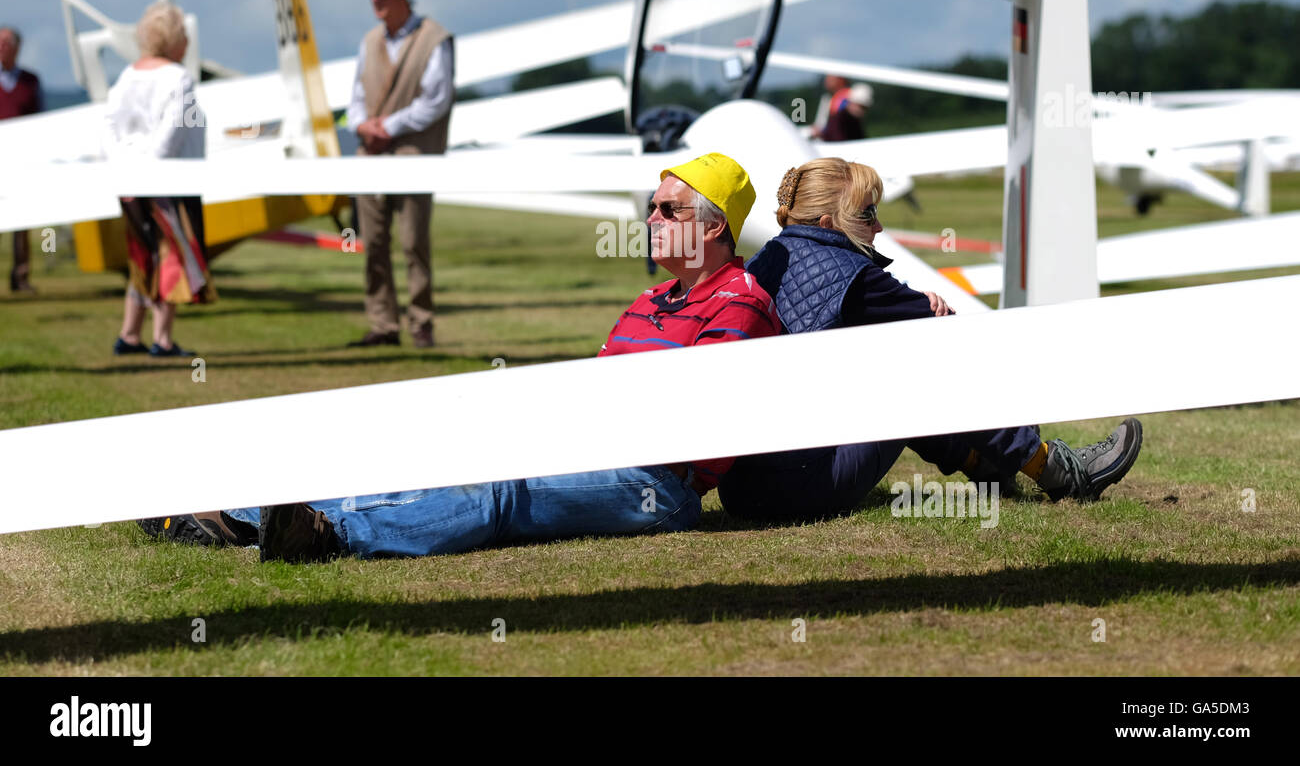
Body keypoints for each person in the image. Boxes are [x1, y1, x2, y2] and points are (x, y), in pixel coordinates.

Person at [141, 153, 783, 561]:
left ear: (713, 227)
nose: (649, 218)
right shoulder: (651, 298)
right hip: (598, 445)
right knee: (440, 446)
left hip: (655, 483)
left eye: (666, 210)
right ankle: (241, 514)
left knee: (500, 488)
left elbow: (701, 432)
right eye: (650, 206)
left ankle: (328, 536)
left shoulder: (739, 305)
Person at [719, 156, 1143, 523]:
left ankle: (986, 464)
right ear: (829, 222)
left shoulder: (763, 262)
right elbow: (949, 343)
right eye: (867, 214)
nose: (879, 226)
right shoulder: (854, 277)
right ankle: (1056, 470)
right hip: (801, 485)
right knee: (917, 365)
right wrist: (926, 308)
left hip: (742, 489)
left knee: (896, 367)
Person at [345, 0, 454, 350]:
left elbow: (436, 101)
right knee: (373, 243)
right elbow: (356, 98)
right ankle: (382, 324)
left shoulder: (435, 38)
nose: (375, 0)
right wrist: (362, 126)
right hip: (371, 157)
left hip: (413, 156)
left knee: (413, 243)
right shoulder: (369, 41)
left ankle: (421, 323)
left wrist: (385, 127)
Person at [102, 2, 215, 358]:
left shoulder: (126, 76)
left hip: (130, 182)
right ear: (174, 39)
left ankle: (130, 333)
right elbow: (173, 130)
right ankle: (162, 339)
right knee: (171, 254)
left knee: (141, 253)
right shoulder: (177, 77)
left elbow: (108, 126)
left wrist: (125, 166)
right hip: (168, 181)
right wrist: (154, 168)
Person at [1, 27, 44, 293]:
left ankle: (21, 275)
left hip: (21, 161)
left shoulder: (30, 81)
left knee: (22, 221)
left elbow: (39, 119)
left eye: (6, 43)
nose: (2, 47)